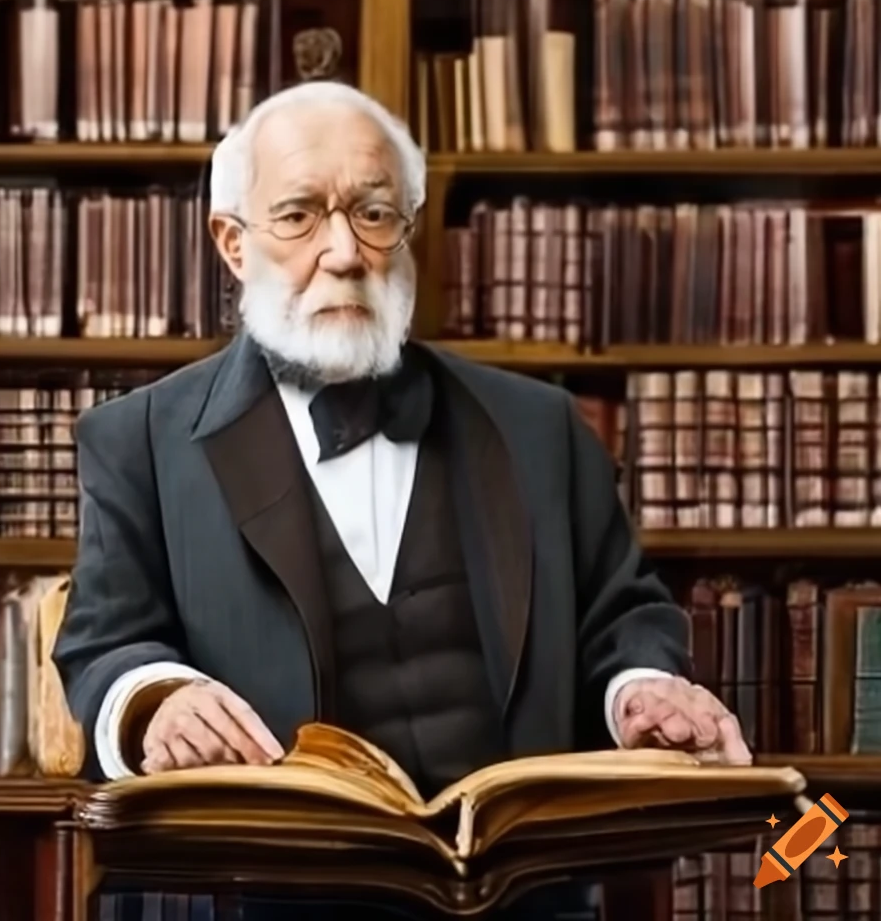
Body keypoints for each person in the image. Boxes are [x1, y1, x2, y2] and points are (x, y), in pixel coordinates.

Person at [53, 81, 751, 919]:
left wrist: (640, 688)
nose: (344, 251)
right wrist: (156, 703)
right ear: (233, 243)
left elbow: (622, 616)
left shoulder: (543, 428)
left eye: (375, 214)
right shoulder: (138, 441)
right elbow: (105, 646)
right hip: (257, 902)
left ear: (409, 232)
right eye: (301, 215)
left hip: (523, 902)